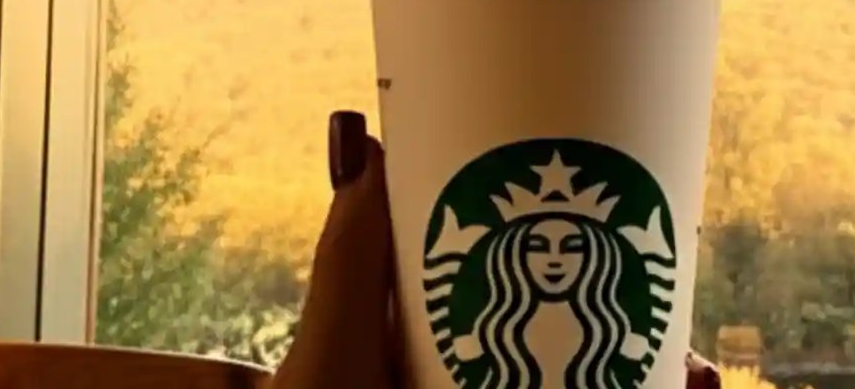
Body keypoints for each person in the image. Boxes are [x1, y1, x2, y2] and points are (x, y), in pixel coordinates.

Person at [270, 111, 721, 389]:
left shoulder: (617, 340)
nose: (555, 259)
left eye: (572, 246)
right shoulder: (483, 341)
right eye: (538, 245)